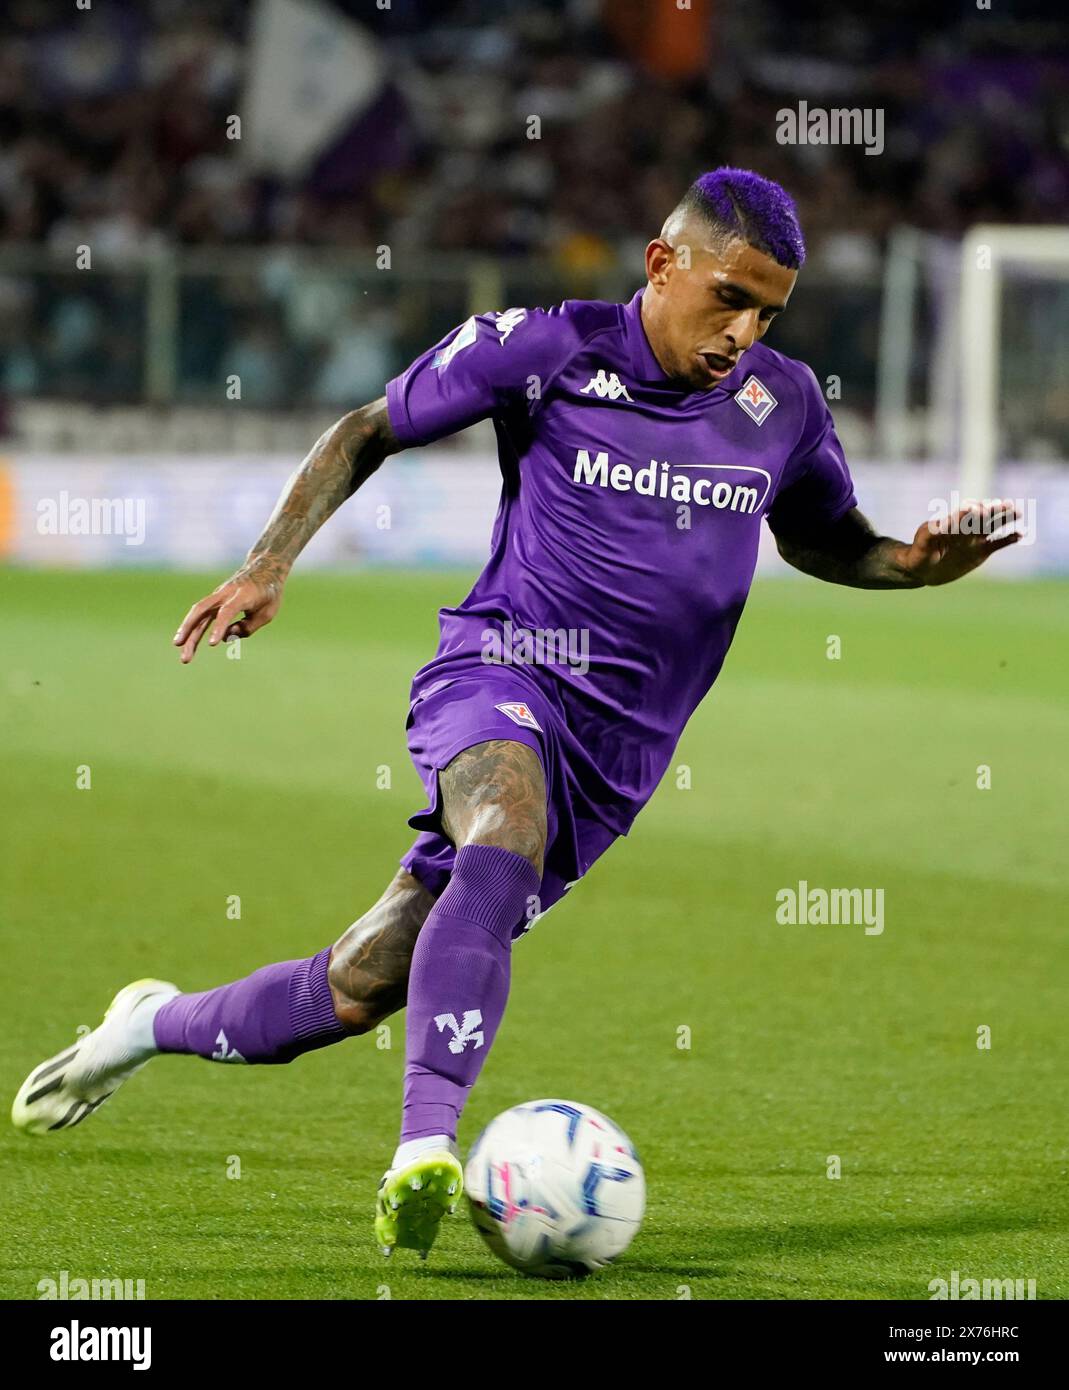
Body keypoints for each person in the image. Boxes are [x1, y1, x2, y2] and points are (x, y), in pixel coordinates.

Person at [12, 168, 1020, 1260]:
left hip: (617, 761)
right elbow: (368, 427)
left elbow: (822, 537)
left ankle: (145, 1023)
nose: (745, 329)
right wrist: (268, 564)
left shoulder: (782, 405)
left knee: (352, 989)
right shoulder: (544, 350)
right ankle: (423, 1150)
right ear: (661, 263)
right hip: (500, 668)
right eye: (729, 296)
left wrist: (913, 564)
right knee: (503, 822)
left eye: (769, 310)